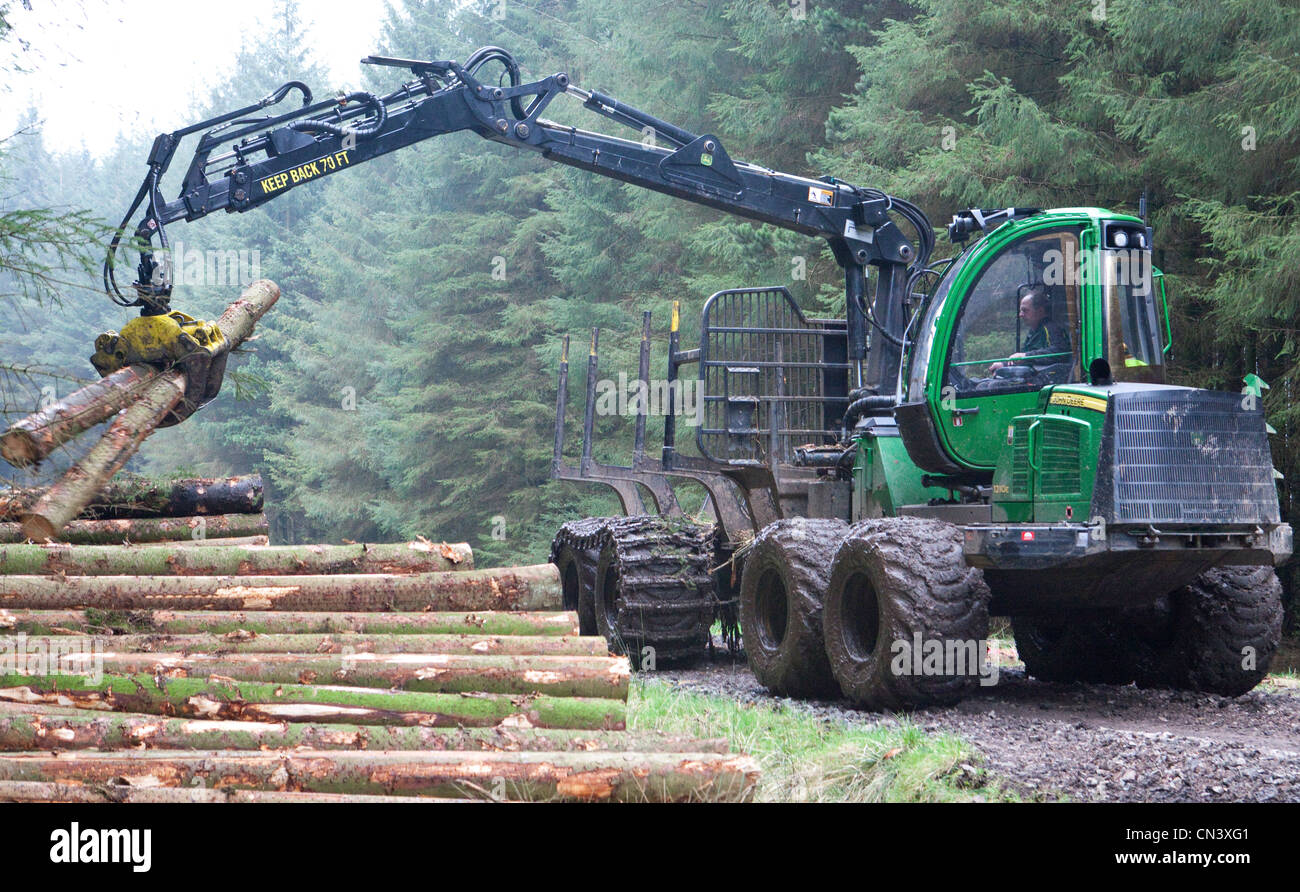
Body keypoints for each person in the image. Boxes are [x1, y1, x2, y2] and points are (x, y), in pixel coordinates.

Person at [989, 285, 1070, 374]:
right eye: (1020, 311)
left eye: (1025, 310)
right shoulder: (1033, 331)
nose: (1020, 315)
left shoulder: (1051, 329)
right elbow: (1022, 360)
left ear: (1040, 311)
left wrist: (1026, 356)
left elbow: (1060, 352)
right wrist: (1004, 365)